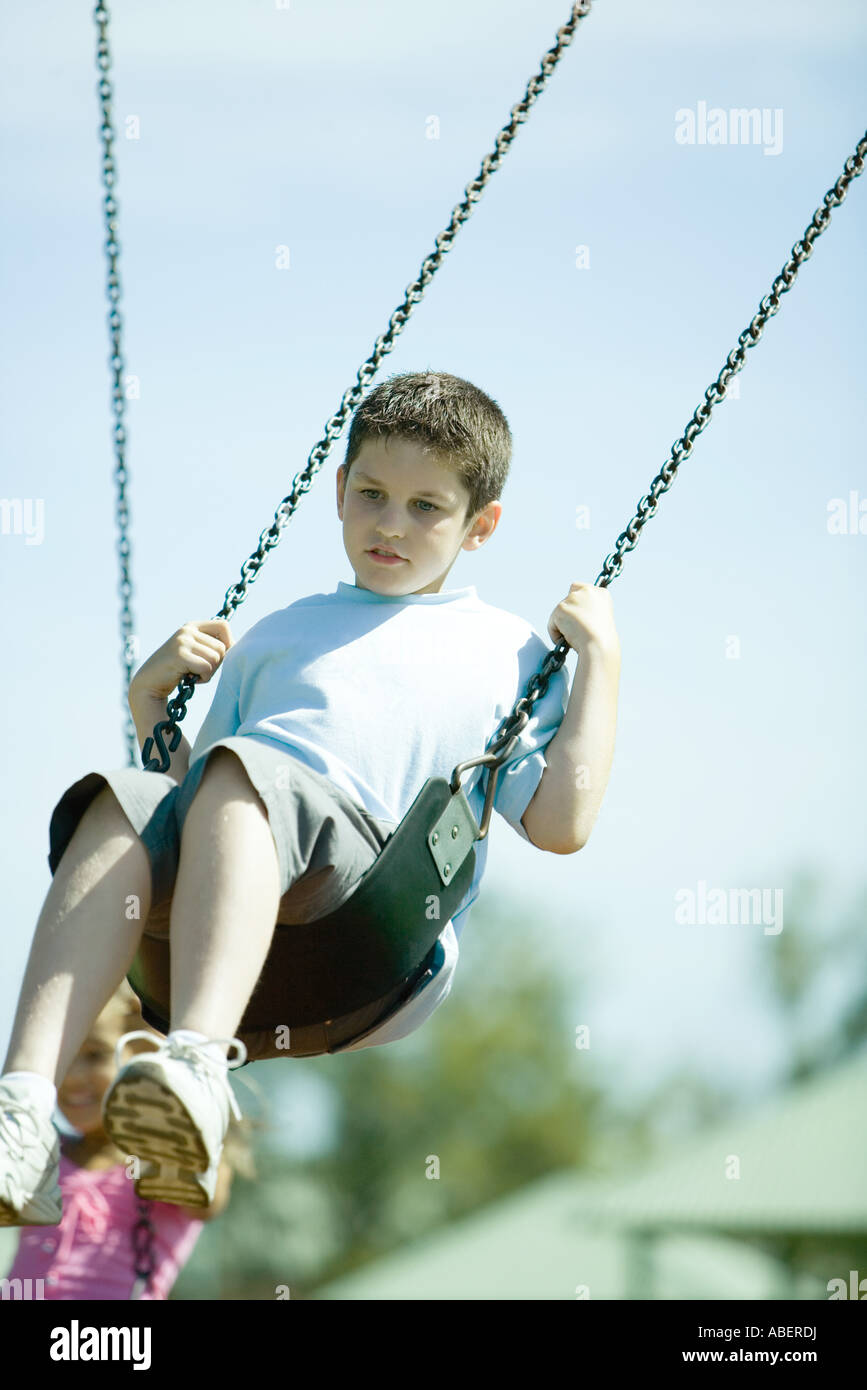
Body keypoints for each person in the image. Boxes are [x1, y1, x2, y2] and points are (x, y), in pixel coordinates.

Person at [0, 369, 621, 1229]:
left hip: (376, 929)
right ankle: (23, 1113)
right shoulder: (278, 635)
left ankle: (195, 1073)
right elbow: (187, 828)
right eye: (371, 494)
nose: (390, 525)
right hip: (251, 920)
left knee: (245, 771)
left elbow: (560, 825)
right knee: (123, 798)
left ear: (480, 526)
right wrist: (150, 704)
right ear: (337, 492)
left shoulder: (506, 653)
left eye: (426, 507)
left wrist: (601, 668)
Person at [1, 982, 253, 1299]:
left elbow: (209, 1199)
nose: (73, 1076)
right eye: (63, 1058)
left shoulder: (167, 1158)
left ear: (143, 1050)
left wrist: (164, 1090)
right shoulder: (43, 1152)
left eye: (95, 1055)